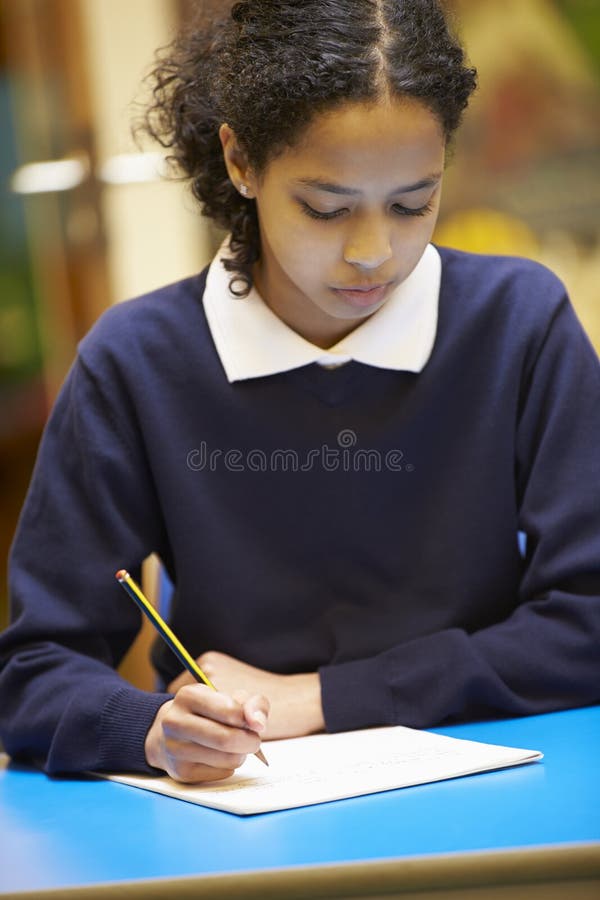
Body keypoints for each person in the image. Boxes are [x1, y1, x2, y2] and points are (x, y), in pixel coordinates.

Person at [1, 0, 599, 785]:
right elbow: (35, 672)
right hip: (237, 813)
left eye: (414, 202)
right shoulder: (136, 362)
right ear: (242, 162)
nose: (373, 253)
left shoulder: (518, 323)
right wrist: (151, 731)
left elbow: (589, 619)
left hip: (505, 783)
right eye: (326, 208)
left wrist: (321, 699)